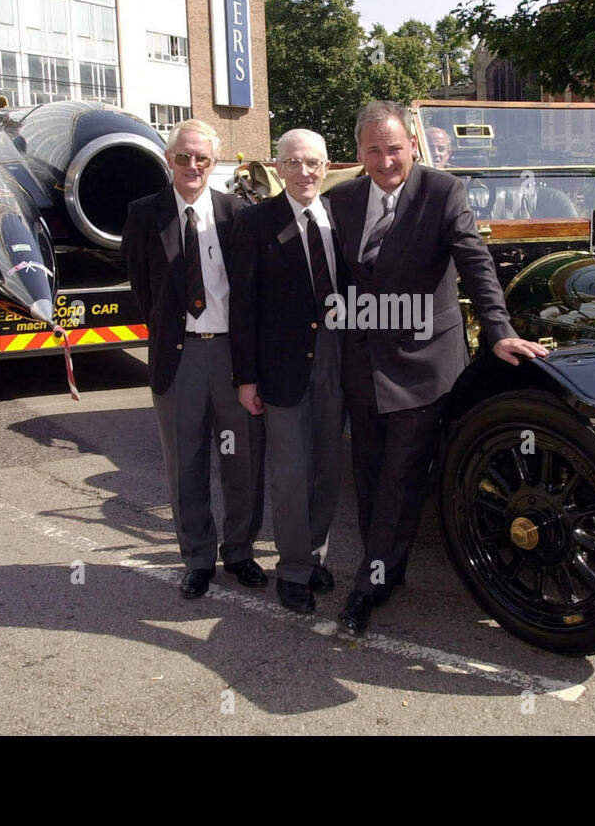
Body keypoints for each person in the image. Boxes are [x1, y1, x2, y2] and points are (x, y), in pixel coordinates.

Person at [326, 100, 549, 637]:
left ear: (413, 147)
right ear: (358, 152)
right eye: (374, 150)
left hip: (426, 362)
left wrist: (499, 331)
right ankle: (389, 567)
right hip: (362, 360)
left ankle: (367, 583)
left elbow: (475, 261)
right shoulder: (341, 200)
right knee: (371, 472)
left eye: (394, 149)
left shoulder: (443, 192)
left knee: (401, 476)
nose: (385, 161)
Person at [123, 119, 267, 599]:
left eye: (201, 158)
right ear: (169, 159)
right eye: (183, 156)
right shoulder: (145, 214)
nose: (192, 165)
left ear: (214, 162)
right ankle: (198, 557)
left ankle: (241, 550)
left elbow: (249, 291)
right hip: (179, 357)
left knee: (240, 460)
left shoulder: (236, 214)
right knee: (185, 462)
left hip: (230, 357)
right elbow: (143, 289)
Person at [230, 128, 346, 614]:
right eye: (294, 163)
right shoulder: (256, 222)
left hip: (336, 357)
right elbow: (244, 306)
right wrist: (246, 377)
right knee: (292, 473)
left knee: (327, 468)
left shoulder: (340, 217)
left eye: (313, 163)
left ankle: (315, 555)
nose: (304, 172)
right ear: (278, 168)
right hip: (281, 367)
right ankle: (293, 569)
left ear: (326, 167)